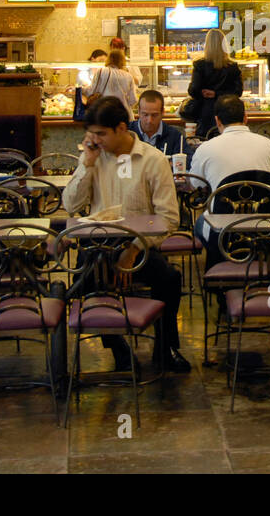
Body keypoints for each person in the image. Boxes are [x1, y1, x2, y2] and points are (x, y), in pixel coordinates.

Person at [60, 97, 189, 372]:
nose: (94, 139)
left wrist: (133, 250)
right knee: (88, 282)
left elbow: (169, 218)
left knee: (169, 279)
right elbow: (70, 205)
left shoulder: (152, 160)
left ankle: (165, 348)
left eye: (100, 134)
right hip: (96, 244)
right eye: (91, 134)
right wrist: (87, 163)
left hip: (138, 244)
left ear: (120, 128)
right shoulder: (94, 157)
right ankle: (118, 348)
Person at [189, 95, 270, 194]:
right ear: (245, 118)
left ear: (217, 121)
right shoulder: (269, 146)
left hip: (221, 208)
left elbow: (196, 184)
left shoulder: (205, 149)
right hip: (263, 207)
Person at [186, 28, 242, 134]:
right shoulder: (232, 66)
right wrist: (218, 94)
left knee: (204, 141)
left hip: (204, 112)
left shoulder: (199, 64)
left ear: (207, 44)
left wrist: (208, 93)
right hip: (227, 112)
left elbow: (193, 91)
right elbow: (238, 92)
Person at [130, 89, 186, 157]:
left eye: (154, 115)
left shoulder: (174, 135)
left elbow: (188, 160)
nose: (149, 120)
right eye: (145, 115)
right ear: (138, 111)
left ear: (163, 112)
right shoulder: (128, 132)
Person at [85, 47, 138, 115]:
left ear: (108, 59)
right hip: (123, 114)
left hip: (105, 112)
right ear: (122, 60)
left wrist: (79, 89)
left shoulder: (101, 71)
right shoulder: (128, 76)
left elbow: (91, 91)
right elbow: (133, 100)